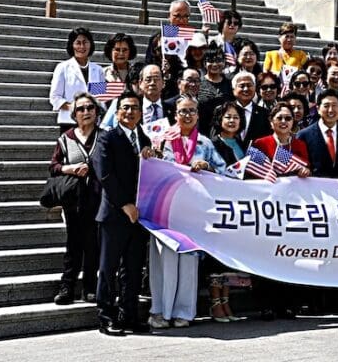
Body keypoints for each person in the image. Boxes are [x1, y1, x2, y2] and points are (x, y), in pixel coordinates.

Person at [146, 96, 228, 328]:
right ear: (175, 114)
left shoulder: (205, 144)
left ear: (198, 115)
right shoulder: (160, 139)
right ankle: (160, 311)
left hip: (193, 211)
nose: (188, 115)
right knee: (164, 263)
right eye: (183, 111)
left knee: (189, 263)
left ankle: (184, 311)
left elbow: (225, 173)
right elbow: (149, 168)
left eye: (192, 111)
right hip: (163, 210)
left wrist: (208, 167)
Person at [298, 89, 338, 315]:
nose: (331, 110)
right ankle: (314, 301)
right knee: (316, 252)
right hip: (314, 203)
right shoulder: (304, 135)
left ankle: (336, 299)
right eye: (326, 105)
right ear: (318, 107)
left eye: (335, 105)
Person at [91, 90, 150, 336]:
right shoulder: (107, 138)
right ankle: (106, 316)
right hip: (115, 214)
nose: (130, 112)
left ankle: (129, 314)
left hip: (140, 216)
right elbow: (105, 174)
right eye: (125, 107)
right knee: (108, 268)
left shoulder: (145, 139)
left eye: (134, 108)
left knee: (134, 269)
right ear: (117, 112)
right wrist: (125, 204)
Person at [248, 103, 309, 321]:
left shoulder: (300, 145)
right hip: (267, 209)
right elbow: (250, 174)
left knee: (289, 257)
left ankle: (288, 304)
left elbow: (307, 171)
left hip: (292, 210)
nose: (284, 122)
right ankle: (266, 305)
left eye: (288, 118)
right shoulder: (260, 143)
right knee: (266, 257)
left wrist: (304, 171)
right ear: (271, 121)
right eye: (280, 118)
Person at [49, 92, 101, 304]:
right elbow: (53, 167)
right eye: (81, 109)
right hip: (74, 201)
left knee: (93, 245)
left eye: (90, 108)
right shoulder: (65, 139)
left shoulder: (104, 136)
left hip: (98, 199)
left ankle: (90, 287)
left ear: (96, 112)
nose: (86, 112)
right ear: (74, 114)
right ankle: (67, 287)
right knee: (73, 245)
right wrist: (69, 168)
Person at [50, 27, 104, 130]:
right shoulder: (63, 68)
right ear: (72, 45)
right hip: (70, 122)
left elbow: (99, 97)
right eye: (78, 43)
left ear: (90, 45)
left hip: (93, 123)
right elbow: (55, 97)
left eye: (85, 42)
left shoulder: (98, 70)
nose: (82, 46)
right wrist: (77, 109)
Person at [230, 71, 272, 148]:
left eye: (249, 85)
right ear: (233, 90)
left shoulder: (265, 114)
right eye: (242, 86)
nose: (246, 89)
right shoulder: (223, 111)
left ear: (255, 88)